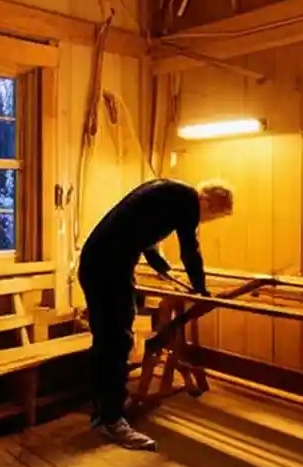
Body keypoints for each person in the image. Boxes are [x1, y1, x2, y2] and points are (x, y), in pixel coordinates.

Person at [78, 178, 234, 450]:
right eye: (211, 216)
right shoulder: (185, 200)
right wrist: (201, 288)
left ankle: (102, 414)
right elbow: (190, 249)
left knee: (105, 341)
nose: (204, 222)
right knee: (117, 340)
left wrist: (156, 261)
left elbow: (138, 230)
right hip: (108, 267)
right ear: (206, 202)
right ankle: (113, 420)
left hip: (96, 262)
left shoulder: (167, 194)